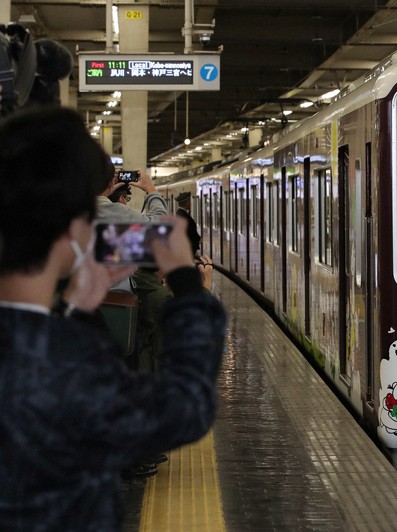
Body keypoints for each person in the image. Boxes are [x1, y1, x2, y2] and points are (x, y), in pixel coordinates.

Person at [0, 106, 227, 530]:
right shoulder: (65, 363)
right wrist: (188, 285)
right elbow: (186, 406)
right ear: (76, 231)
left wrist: (74, 307)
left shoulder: (57, 340)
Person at [176, 191, 201, 257]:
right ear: (187, 203)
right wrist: (198, 239)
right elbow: (190, 231)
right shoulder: (184, 216)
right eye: (190, 202)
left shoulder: (179, 214)